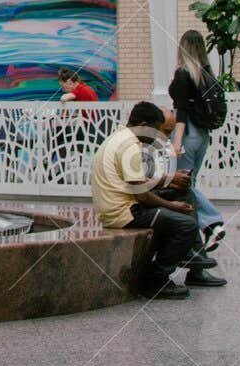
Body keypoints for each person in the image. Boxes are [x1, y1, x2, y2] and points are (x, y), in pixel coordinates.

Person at [90, 102, 224, 299]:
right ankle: (155, 279)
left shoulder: (122, 137)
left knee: (185, 194)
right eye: (157, 131)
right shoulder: (129, 146)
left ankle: (193, 256)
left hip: (127, 203)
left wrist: (170, 182)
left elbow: (138, 183)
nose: (159, 137)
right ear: (144, 124)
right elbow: (142, 194)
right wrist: (172, 206)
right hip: (124, 213)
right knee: (185, 225)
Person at [169, 30, 226, 236]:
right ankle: (200, 228)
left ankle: (212, 222)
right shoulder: (207, 74)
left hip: (188, 133)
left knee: (182, 184)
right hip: (203, 135)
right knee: (189, 183)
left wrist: (177, 142)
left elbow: (181, 110)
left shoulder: (183, 73)